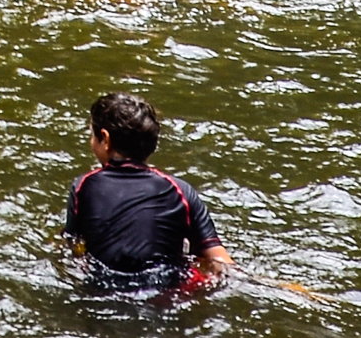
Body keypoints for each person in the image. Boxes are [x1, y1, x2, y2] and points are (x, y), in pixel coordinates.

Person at [63, 91, 235, 292]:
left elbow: (75, 249)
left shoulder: (84, 186)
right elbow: (220, 262)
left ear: (105, 139)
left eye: (92, 134)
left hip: (107, 289)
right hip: (166, 290)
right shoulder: (180, 190)